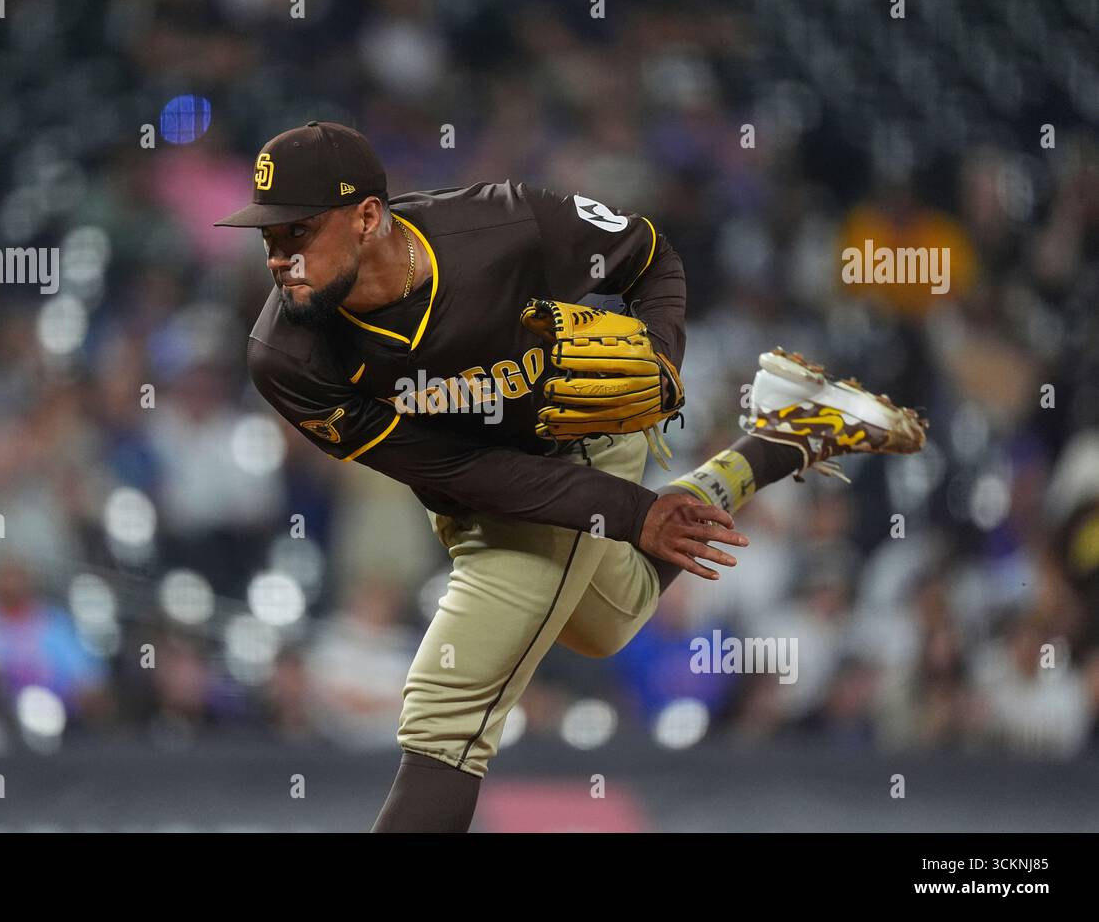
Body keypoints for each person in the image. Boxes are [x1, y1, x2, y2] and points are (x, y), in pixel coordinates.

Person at [218, 121, 927, 832]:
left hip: (574, 442)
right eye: (269, 238)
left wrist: (661, 367)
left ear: (368, 217)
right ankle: (781, 437)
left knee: (445, 712)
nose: (280, 258)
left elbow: (649, 257)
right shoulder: (286, 358)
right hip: (474, 486)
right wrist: (629, 512)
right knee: (607, 622)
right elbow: (456, 468)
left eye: (298, 233)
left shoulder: (500, 223)